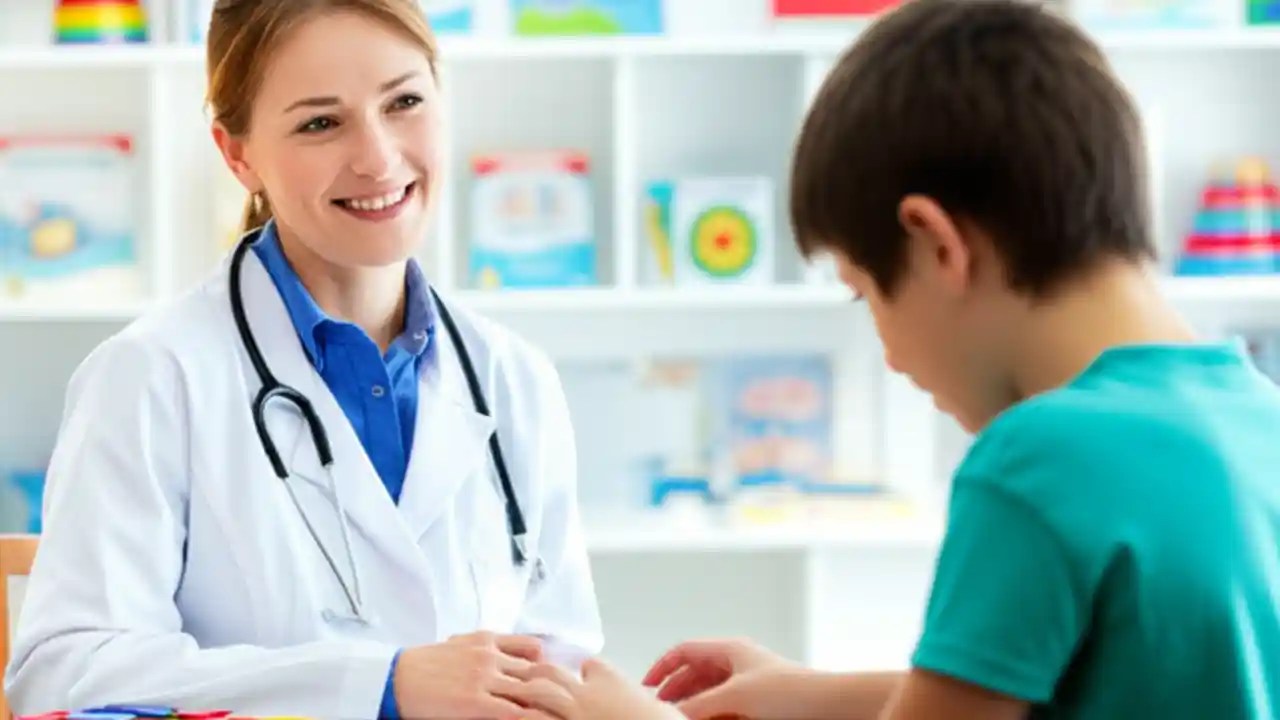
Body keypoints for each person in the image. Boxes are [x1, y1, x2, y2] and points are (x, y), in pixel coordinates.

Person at [502, 0, 1280, 718]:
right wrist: (808, 694)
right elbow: (1053, 682)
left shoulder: (1041, 461)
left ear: (936, 245)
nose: (894, 356)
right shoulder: (1253, 417)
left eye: (866, 295)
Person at [3, 1, 602, 718]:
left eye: (404, 101)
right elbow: (65, 673)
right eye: (321, 122)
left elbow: (565, 664)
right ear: (238, 153)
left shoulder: (515, 378)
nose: (379, 158)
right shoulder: (149, 376)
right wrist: (381, 685)